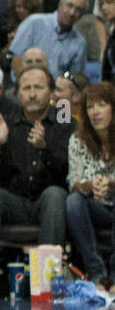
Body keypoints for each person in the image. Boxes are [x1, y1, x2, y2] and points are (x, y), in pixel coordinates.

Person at [0, 64, 71, 298]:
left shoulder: (64, 124)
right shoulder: (7, 123)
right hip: (16, 201)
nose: (32, 93)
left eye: (38, 87)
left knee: (55, 194)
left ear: (50, 93)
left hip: (48, 202)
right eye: (26, 88)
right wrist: (2, 144)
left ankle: (48, 278)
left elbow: (66, 173)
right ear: (17, 94)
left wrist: (44, 149)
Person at [65, 82, 115, 289]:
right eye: (90, 107)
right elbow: (73, 181)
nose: (95, 112)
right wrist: (88, 185)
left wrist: (112, 183)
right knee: (73, 200)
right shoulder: (78, 139)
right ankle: (97, 273)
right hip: (94, 206)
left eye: (102, 105)